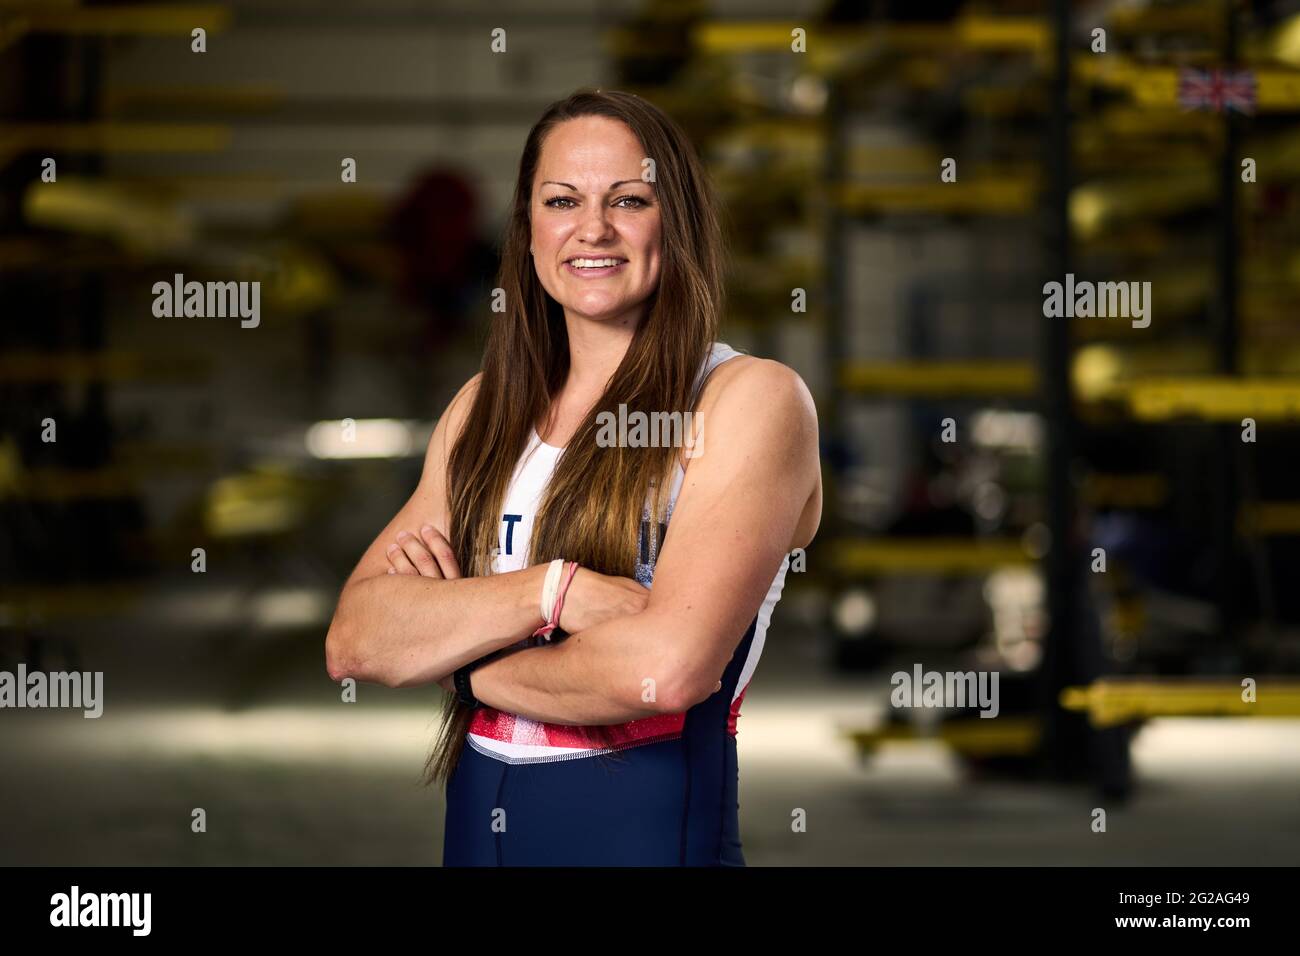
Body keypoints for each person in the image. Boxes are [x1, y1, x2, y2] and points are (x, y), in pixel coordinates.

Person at [325, 89, 821, 866]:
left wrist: (456, 656)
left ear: (676, 222)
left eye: (629, 199)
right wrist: (548, 593)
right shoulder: (484, 411)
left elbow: (664, 670)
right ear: (527, 233)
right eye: (562, 201)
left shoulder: (747, 402)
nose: (593, 229)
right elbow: (359, 639)